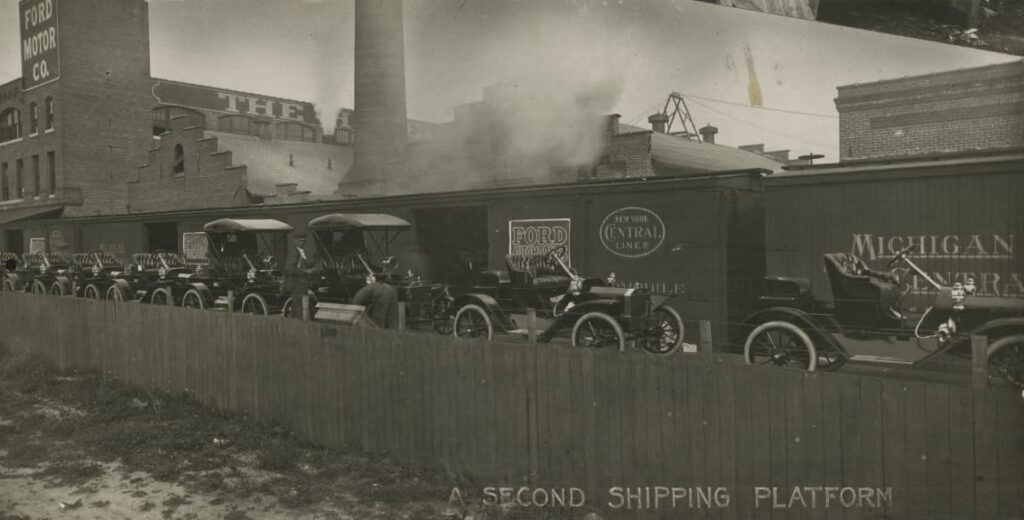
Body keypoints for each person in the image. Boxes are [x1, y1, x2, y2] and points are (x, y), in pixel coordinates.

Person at [352, 257, 400, 329]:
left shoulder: (382, 287)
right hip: (362, 303)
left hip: (360, 302)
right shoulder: (385, 288)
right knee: (381, 320)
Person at [282, 230, 317, 319]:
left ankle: (293, 323)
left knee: (298, 308)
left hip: (302, 285)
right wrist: (305, 271)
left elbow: (301, 265)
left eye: (304, 241)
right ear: (295, 240)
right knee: (299, 309)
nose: (302, 243)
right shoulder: (294, 252)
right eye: (300, 240)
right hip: (296, 285)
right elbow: (289, 268)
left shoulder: (301, 251)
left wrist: (311, 264)